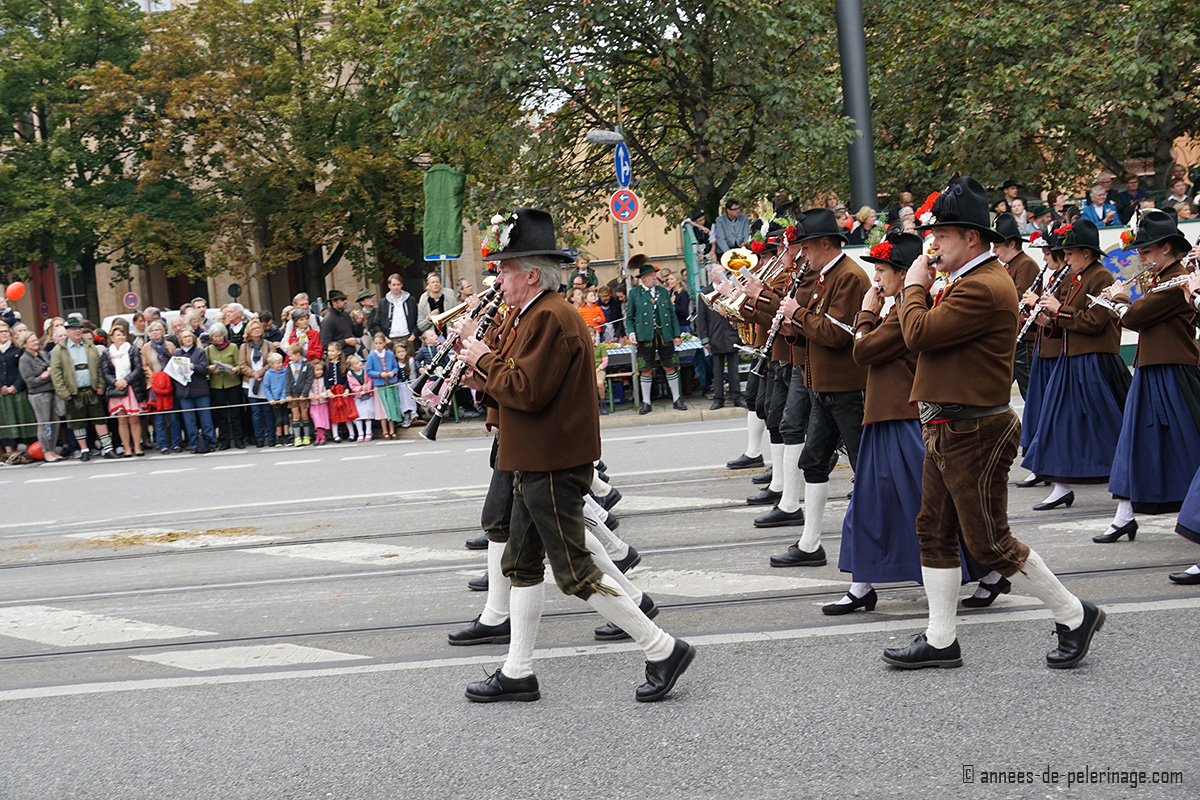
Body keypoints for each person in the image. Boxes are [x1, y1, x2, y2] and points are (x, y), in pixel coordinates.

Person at [453, 206, 693, 703]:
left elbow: (529, 391)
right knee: (521, 564)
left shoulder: (551, 317)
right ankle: (517, 671)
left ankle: (662, 648)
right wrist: (477, 373)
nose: (498, 278)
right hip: (532, 457)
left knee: (576, 571)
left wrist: (483, 358)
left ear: (531, 275)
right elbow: (517, 385)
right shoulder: (533, 315)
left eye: (505, 269)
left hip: (552, 461)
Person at [883, 176, 1104, 671]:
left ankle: (1074, 615)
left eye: (942, 236)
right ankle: (941, 639)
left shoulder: (983, 285)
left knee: (989, 541)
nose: (934, 245)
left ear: (972, 238)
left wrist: (913, 284)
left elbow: (917, 333)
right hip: (951, 424)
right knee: (933, 530)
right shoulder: (970, 280)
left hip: (974, 429)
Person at [826, 231, 926, 614]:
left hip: (903, 420)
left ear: (903, 274)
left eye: (882, 270)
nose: (876, 278)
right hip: (885, 417)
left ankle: (986, 571)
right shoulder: (898, 306)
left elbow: (863, 350)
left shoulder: (906, 309)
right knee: (869, 504)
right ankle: (862, 584)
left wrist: (866, 314)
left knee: (924, 504)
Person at [766, 208, 866, 551]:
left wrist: (797, 314)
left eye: (806, 247)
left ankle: (876, 539)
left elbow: (837, 334)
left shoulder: (848, 276)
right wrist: (792, 330)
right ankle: (809, 544)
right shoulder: (826, 275)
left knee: (865, 465)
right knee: (813, 462)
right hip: (824, 385)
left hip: (847, 386)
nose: (803, 254)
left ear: (825, 243)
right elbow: (816, 329)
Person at [1100, 210, 1200, 543]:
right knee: (1134, 442)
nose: (1141, 259)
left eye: (1146, 252)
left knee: (1188, 445)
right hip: (1152, 367)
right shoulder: (1161, 278)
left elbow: (1135, 317)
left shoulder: (1178, 279)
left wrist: (1120, 297)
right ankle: (1124, 516)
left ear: (1167, 248)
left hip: (1174, 370)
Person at [1020, 219, 1131, 516]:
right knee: (1058, 422)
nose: (1065, 259)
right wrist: (1047, 320)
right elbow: (1068, 323)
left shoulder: (1101, 276)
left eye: (1069, 254)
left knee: (1110, 424)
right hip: (1072, 359)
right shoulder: (1076, 276)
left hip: (1095, 362)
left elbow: (1095, 322)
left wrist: (1059, 310)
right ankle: (1061, 486)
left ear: (1086, 252)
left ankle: (1129, 476)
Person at [1013, 231, 1069, 489]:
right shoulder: (1055, 276)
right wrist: (1034, 317)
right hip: (1043, 349)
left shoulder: (1067, 277)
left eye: (1048, 254)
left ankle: (1050, 468)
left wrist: (1039, 305)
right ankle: (1040, 465)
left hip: (1057, 353)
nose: (1044, 259)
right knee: (1038, 410)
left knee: (1050, 412)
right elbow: (1052, 318)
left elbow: (1064, 314)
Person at [625, 255, 685, 414]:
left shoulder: (663, 292)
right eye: (651, 275)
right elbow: (629, 317)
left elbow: (672, 315)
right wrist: (631, 332)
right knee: (645, 368)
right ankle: (646, 402)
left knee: (670, 366)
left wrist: (677, 335)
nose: (654, 278)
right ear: (643, 278)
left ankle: (677, 399)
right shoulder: (635, 294)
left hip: (664, 335)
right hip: (645, 336)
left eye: (654, 275)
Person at [49, 319, 116, 461]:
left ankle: (108, 448)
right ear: (67, 331)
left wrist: (101, 385)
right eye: (73, 329)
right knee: (78, 422)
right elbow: (56, 373)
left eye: (79, 328)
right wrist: (63, 393)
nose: (77, 331)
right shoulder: (59, 350)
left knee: (99, 420)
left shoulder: (90, 346)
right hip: (73, 391)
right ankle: (84, 450)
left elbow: (99, 367)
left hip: (92, 389)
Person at [992, 213, 1040, 398]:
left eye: (997, 246)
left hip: (1025, 339)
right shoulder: (1011, 265)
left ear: (1012, 244)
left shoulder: (1026, 264)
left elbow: (1019, 299)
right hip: (1014, 338)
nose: (994, 251)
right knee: (996, 390)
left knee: (1030, 393)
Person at [694, 264, 744, 410]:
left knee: (734, 369)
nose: (722, 275)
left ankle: (737, 396)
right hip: (715, 335)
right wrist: (704, 338)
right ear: (712, 275)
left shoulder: (731, 289)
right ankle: (718, 398)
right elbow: (701, 318)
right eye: (719, 273)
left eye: (724, 272)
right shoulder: (705, 293)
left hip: (730, 333)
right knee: (717, 369)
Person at [99, 324, 146, 457]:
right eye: (117, 335)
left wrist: (126, 380)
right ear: (112, 338)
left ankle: (137, 447)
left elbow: (138, 368)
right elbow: (105, 371)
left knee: (134, 420)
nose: (121, 337)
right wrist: (115, 382)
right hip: (117, 389)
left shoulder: (132, 350)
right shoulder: (107, 353)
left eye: (123, 334)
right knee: (122, 420)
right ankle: (127, 448)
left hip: (131, 388)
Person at [17, 331, 62, 461]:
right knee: (44, 424)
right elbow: (30, 381)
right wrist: (44, 376)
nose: (36, 342)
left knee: (55, 423)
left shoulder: (42, 354)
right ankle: (46, 451)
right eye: (32, 341)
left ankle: (52, 450)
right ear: (24, 344)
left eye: (36, 340)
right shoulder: (24, 359)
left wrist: (49, 373)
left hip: (51, 391)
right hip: (39, 395)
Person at [171, 328, 215, 453]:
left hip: (200, 390)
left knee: (206, 419)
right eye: (185, 337)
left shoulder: (199, 352)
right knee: (189, 421)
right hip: (185, 391)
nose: (188, 339)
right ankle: (194, 445)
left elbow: (203, 369)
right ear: (181, 340)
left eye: (190, 336)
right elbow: (173, 372)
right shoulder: (176, 354)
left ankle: (210, 443)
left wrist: (191, 366)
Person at [141, 321, 183, 454]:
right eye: (152, 330)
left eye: (157, 330)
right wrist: (155, 378)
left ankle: (176, 443)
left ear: (162, 332)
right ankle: (163, 444)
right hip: (154, 385)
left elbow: (175, 362)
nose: (155, 332)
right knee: (159, 418)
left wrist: (167, 377)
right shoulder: (146, 348)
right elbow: (145, 365)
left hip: (170, 383)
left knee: (173, 417)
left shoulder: (170, 345)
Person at [203, 323, 244, 449]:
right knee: (222, 414)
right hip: (217, 385)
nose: (218, 339)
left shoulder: (232, 347)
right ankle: (225, 440)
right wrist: (210, 368)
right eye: (215, 336)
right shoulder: (208, 349)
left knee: (236, 413)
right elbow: (205, 367)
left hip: (232, 383)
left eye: (220, 336)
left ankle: (239, 439)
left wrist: (235, 369)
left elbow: (239, 364)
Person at [0, 321, 37, 454]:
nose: (4, 334)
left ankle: (30, 451)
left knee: (24, 419)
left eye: (6, 331)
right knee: (6, 423)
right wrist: (1, 387)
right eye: (1, 332)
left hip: (20, 391)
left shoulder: (18, 350)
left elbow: (23, 370)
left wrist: (16, 385)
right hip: (2, 394)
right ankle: (9, 452)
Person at [239, 319, 276, 447]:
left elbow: (273, 361)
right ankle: (259, 438)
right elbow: (242, 364)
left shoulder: (268, 345)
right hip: (249, 382)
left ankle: (271, 437)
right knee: (255, 412)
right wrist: (253, 374)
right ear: (249, 331)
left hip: (266, 380)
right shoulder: (244, 347)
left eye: (258, 328)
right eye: (254, 328)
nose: (257, 330)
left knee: (268, 411)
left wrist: (261, 372)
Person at [373, 273, 419, 357]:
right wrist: (385, 338)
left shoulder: (410, 300)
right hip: (390, 339)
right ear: (389, 286)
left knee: (410, 362)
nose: (396, 287)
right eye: (394, 285)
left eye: (398, 284)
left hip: (407, 338)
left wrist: (413, 335)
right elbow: (376, 324)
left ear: (402, 285)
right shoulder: (383, 303)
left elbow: (417, 319)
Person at [366, 332, 401, 439]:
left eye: (380, 343)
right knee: (382, 409)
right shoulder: (371, 356)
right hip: (379, 385)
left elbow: (395, 366)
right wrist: (379, 374)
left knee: (391, 407)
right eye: (376, 343)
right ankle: (385, 431)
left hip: (390, 384)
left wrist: (393, 372)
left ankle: (392, 430)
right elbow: (369, 370)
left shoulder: (389, 354)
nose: (378, 346)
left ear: (384, 343)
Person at [283, 343, 314, 446]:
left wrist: (304, 394)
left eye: (291, 356)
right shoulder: (289, 365)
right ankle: (297, 437)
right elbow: (287, 380)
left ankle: (306, 436)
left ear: (298, 354)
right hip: (293, 394)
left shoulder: (307, 364)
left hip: (302, 394)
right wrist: (288, 394)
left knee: (304, 415)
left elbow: (309, 380)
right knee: (295, 415)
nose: (290, 358)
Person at [318, 289, 358, 358]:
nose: (345, 301)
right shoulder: (328, 320)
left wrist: (359, 323)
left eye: (345, 299)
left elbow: (358, 333)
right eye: (342, 299)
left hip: (351, 356)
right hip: (339, 358)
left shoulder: (346, 315)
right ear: (334, 302)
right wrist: (345, 342)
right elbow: (326, 345)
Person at [262, 352, 289, 446]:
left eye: (281, 362)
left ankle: (286, 436)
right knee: (278, 419)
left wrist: (283, 397)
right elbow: (266, 387)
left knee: (285, 418)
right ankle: (279, 437)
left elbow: (286, 385)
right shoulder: (268, 374)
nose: (280, 365)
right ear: (271, 365)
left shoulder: (285, 372)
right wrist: (270, 399)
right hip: (274, 400)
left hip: (283, 399)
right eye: (278, 363)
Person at [346, 354, 375, 441]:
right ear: (352, 367)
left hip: (368, 395)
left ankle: (368, 432)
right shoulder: (350, 375)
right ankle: (360, 433)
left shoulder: (365, 370)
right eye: (357, 363)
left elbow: (369, 380)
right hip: (358, 397)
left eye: (359, 362)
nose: (360, 363)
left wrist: (367, 389)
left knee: (368, 414)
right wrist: (360, 389)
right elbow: (352, 386)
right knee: (359, 415)